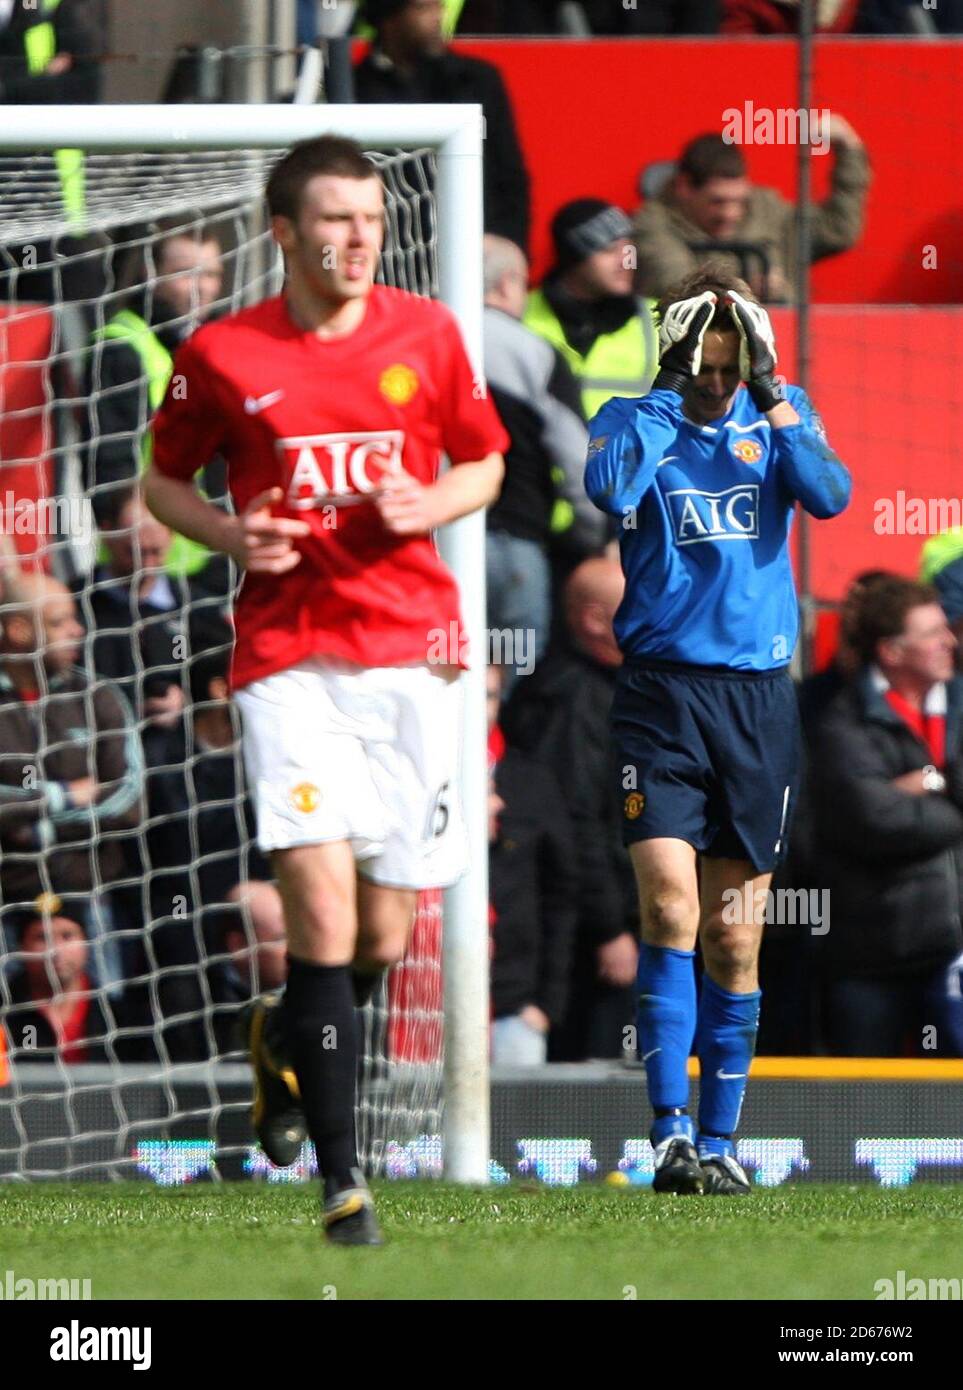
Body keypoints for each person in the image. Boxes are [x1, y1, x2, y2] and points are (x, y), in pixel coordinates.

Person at [143, 135, 508, 1244]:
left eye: (370, 220)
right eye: (336, 220)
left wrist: (428, 507)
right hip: (288, 660)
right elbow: (164, 480)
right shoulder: (221, 351)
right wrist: (227, 530)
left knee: (384, 935)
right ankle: (344, 1186)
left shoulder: (429, 337)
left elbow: (485, 461)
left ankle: (279, 1047)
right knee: (321, 907)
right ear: (285, 234)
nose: (359, 239)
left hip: (414, 654)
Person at [584, 265, 850, 1194]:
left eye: (735, 364)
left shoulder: (774, 414)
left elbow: (828, 496)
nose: (718, 380)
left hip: (756, 700)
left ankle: (723, 1141)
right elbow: (609, 491)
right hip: (659, 696)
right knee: (668, 907)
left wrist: (775, 397)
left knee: (735, 938)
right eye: (706, 360)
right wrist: (664, 391)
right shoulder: (633, 418)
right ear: (675, 349)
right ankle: (665, 1137)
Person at [805, 577, 963, 1056]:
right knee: (868, 1108)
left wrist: (927, 782)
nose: (950, 641)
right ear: (893, 652)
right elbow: (875, 819)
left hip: (954, 955)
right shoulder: (841, 721)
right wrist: (950, 788)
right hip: (872, 959)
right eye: (933, 633)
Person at [502, 555, 639, 1060]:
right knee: (595, 1084)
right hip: (590, 943)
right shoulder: (573, 699)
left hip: (601, 926)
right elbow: (576, 821)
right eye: (637, 605)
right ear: (594, 619)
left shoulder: (601, 689)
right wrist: (610, 928)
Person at [0, 572, 143, 997]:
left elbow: (129, 801)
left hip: (91, 897)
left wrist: (37, 827)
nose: (78, 630)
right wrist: (63, 795)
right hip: (7, 897)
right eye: (61, 622)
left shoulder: (99, 698)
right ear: (20, 630)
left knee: (104, 1032)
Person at [483, 234, 605, 690]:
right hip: (516, 548)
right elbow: (578, 462)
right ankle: (492, 754)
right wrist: (591, 537)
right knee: (511, 680)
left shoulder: (423, 339)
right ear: (507, 284)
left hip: (437, 548)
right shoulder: (534, 353)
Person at [84, 217, 229, 592]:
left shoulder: (222, 344)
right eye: (186, 273)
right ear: (151, 274)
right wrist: (127, 520)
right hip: (145, 561)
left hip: (215, 550)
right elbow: (108, 458)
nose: (201, 288)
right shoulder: (124, 344)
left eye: (210, 274)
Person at [354, 0, 530, 252]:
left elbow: (509, 174)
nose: (438, 18)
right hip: (392, 252)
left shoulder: (477, 80)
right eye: (423, 8)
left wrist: (509, 243)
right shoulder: (354, 89)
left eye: (439, 7)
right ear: (389, 18)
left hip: (475, 246)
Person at [632, 124, 871, 304]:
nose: (730, 213)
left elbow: (838, 230)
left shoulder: (767, 210)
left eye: (739, 201)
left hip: (784, 343)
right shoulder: (653, 225)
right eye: (717, 202)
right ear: (684, 187)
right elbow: (678, 287)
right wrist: (749, 290)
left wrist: (848, 148)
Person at [487, 667, 577, 1065]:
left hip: (514, 1009)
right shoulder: (410, 779)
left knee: (515, 1127)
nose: (478, 710)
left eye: (488, 697)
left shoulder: (531, 783)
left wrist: (546, 1006)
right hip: (423, 1012)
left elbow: (562, 895)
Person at [525, 199, 660, 423]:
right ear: (574, 258)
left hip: (628, 457)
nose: (626, 262)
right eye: (609, 250)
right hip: (551, 457)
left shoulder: (659, 317)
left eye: (629, 250)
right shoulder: (521, 313)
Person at [4, 903, 112, 1063]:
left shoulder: (117, 1014)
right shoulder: (6, 1013)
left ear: (86, 943)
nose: (55, 950)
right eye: (42, 938)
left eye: (67, 936)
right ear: (21, 947)